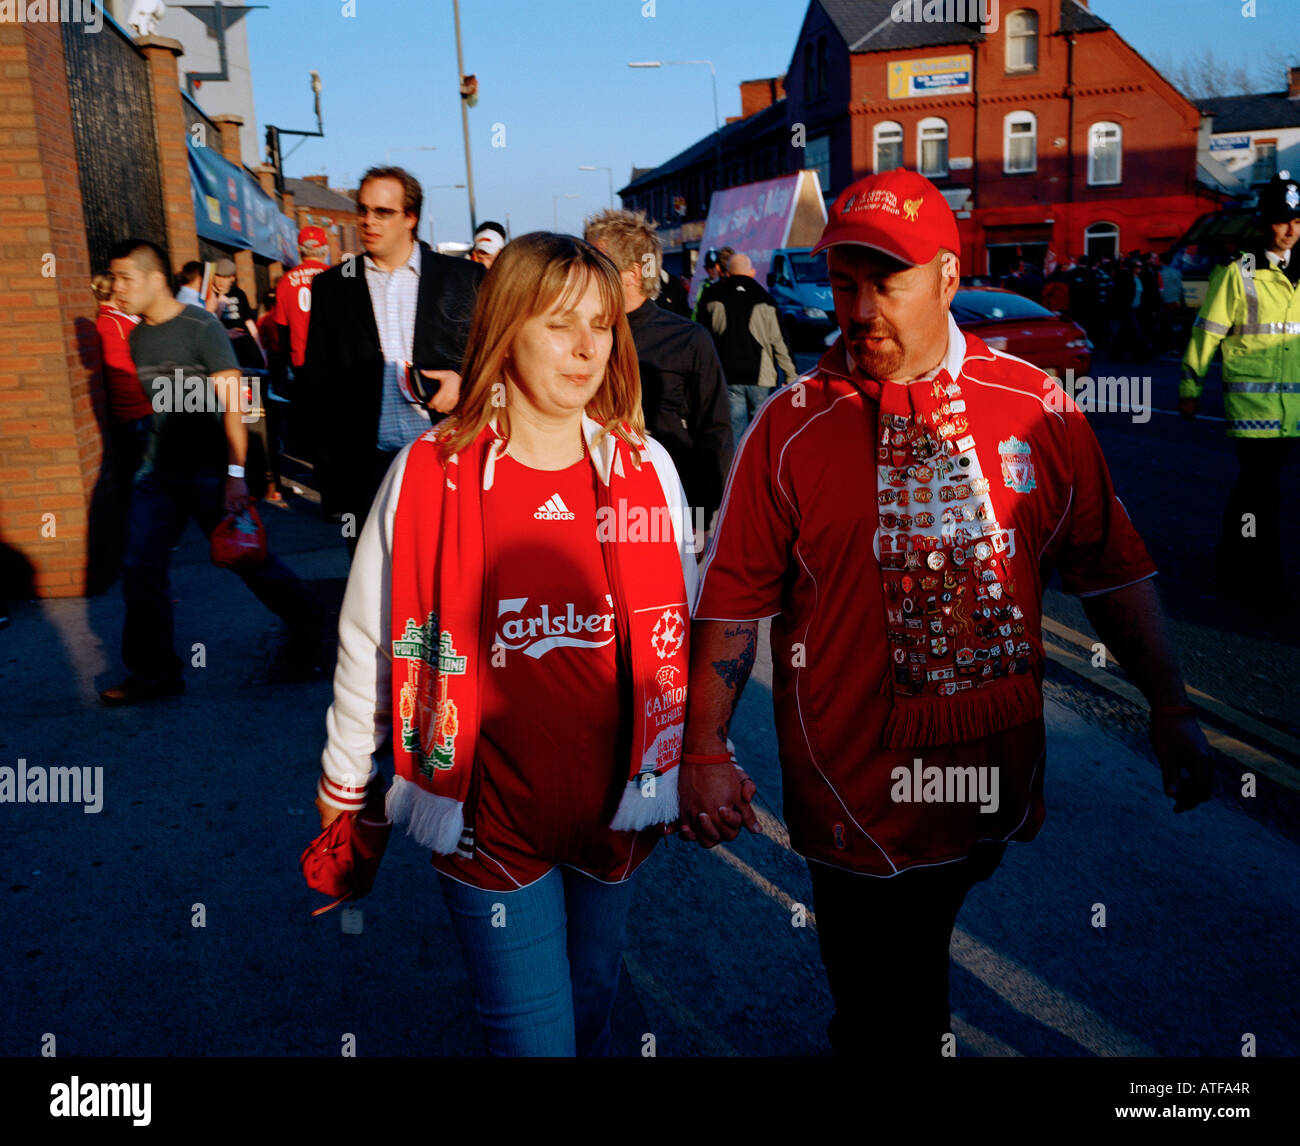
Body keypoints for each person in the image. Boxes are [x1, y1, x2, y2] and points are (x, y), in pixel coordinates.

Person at [677, 169, 1214, 1058]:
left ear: (947, 279)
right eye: (843, 285)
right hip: (848, 782)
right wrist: (702, 749)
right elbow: (732, 600)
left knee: (916, 959)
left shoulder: (1036, 410)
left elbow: (1112, 569)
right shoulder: (790, 425)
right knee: (884, 1010)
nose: (858, 309)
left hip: (987, 778)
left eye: (885, 283)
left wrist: (1171, 707)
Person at [315, 233, 698, 1056]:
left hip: (616, 807)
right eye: (560, 324)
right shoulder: (428, 470)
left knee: (594, 994)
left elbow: (682, 627)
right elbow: (370, 638)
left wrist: (693, 759)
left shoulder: (648, 469)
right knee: (532, 1037)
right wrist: (346, 781)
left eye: (601, 324)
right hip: (484, 814)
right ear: (505, 326)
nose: (587, 347)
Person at [98, 239, 325, 705]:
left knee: (249, 560)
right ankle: (155, 672)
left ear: (154, 279)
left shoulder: (201, 327)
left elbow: (232, 405)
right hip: (157, 474)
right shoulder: (138, 336)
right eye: (114, 278)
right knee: (140, 568)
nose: (117, 288)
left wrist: (237, 474)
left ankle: (311, 624)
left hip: (209, 472)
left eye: (125, 278)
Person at [304, 165, 484, 549]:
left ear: (410, 218)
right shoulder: (332, 287)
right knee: (374, 590)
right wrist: (333, 485)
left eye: (383, 212)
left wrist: (464, 384)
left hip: (447, 455)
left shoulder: (464, 279)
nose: (369, 221)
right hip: (367, 467)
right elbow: (318, 387)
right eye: (364, 209)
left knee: (450, 581)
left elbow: (500, 361)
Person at [1181, 170, 1300, 594]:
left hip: (1294, 409)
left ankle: (1235, 551)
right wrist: (1190, 388)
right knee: (1262, 489)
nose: (1291, 230)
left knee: (1256, 488)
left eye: (1298, 221)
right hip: (1253, 405)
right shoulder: (1238, 272)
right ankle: (1262, 569)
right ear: (1264, 222)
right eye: (1283, 219)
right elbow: (1207, 332)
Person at [584, 208, 733, 538]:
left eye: (597, 264)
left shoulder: (687, 339)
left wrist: (704, 518)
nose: (584, 273)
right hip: (590, 502)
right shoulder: (578, 336)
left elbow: (715, 430)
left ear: (633, 274)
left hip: (669, 506)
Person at [705, 251, 798, 444]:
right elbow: (779, 342)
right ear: (753, 272)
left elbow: (704, 341)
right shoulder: (766, 299)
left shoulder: (713, 298)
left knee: (736, 433)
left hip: (729, 377)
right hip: (762, 379)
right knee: (761, 432)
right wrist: (791, 378)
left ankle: (737, 471)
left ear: (727, 273)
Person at [93, 272, 152, 557]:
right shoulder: (119, 323)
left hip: (127, 410)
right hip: (140, 407)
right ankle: (147, 535)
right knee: (147, 478)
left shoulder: (104, 323)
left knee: (138, 476)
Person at [208, 257, 266, 372]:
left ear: (233, 278)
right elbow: (210, 324)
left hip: (245, 346)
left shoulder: (238, 293)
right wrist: (219, 306)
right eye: (218, 276)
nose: (220, 281)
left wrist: (261, 350)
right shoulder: (209, 294)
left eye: (225, 277)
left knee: (254, 380)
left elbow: (249, 322)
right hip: (226, 348)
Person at [691, 246, 733, 322]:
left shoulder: (727, 284)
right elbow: (697, 309)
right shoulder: (702, 285)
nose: (713, 270)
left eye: (714, 267)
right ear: (706, 269)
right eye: (710, 267)